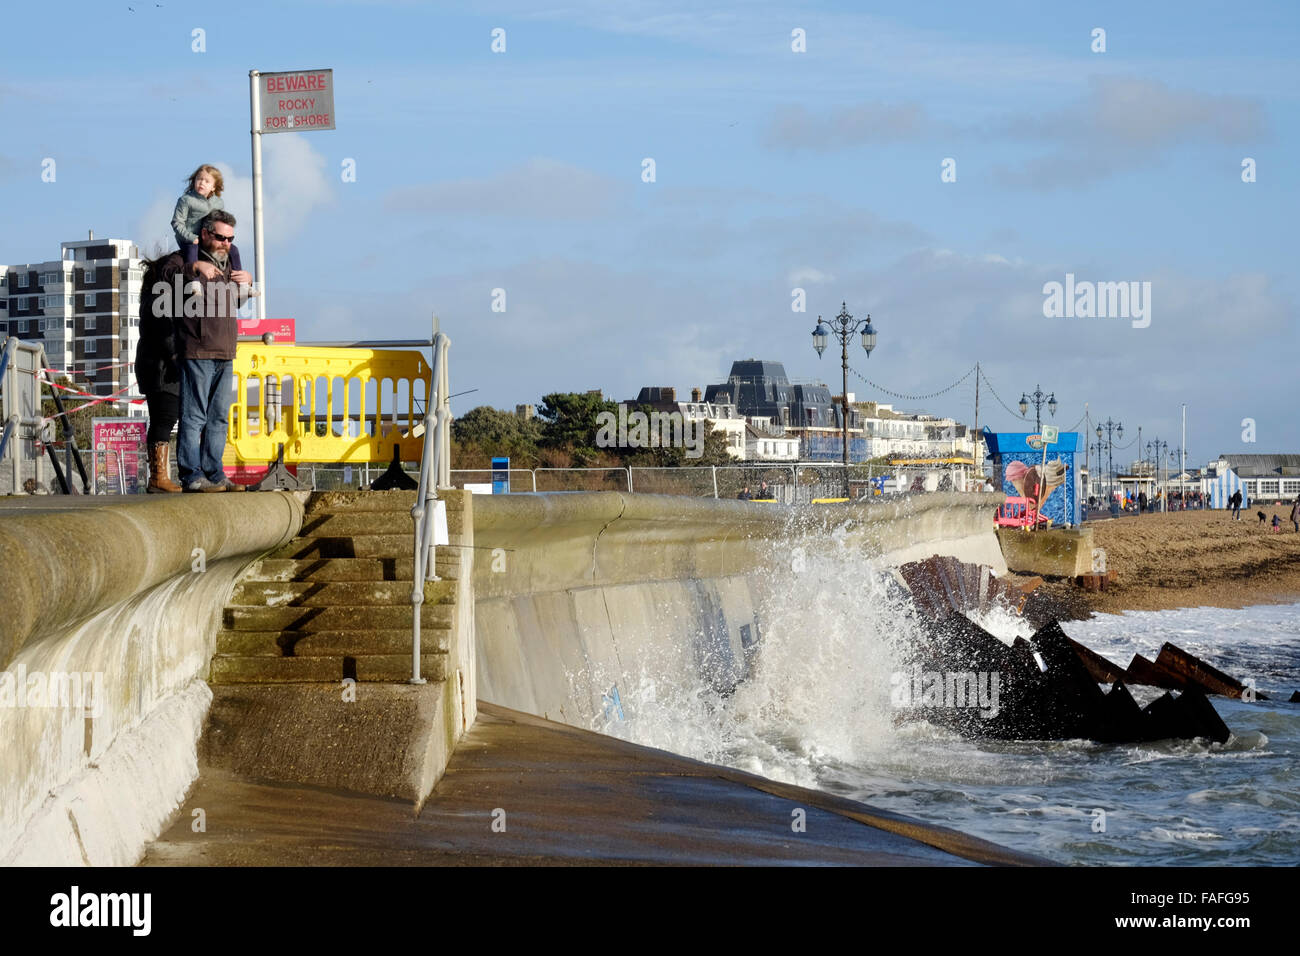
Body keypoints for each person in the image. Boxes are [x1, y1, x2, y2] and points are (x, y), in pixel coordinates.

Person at [175, 210, 251, 492]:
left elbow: (239, 304)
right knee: (194, 416)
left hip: (225, 351)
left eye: (230, 239)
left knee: (219, 416)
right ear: (205, 234)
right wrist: (194, 269)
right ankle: (191, 475)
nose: (226, 244)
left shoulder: (231, 262)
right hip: (197, 350)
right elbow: (169, 275)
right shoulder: (187, 255)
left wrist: (247, 282)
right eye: (220, 237)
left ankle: (214, 473)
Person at [136, 252, 185, 492]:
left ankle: (159, 476)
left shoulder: (152, 293)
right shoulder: (161, 296)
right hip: (161, 366)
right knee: (164, 418)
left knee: (162, 418)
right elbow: (164, 329)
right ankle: (158, 477)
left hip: (153, 364)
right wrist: (176, 357)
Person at [172, 165, 245, 275]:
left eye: (207, 181)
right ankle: (194, 282)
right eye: (199, 179)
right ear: (194, 181)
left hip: (208, 238)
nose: (202, 183)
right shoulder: (186, 200)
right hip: (189, 238)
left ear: (213, 187)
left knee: (233, 250)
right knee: (193, 250)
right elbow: (177, 222)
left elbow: (220, 222)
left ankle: (239, 278)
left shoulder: (218, 203)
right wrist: (190, 237)